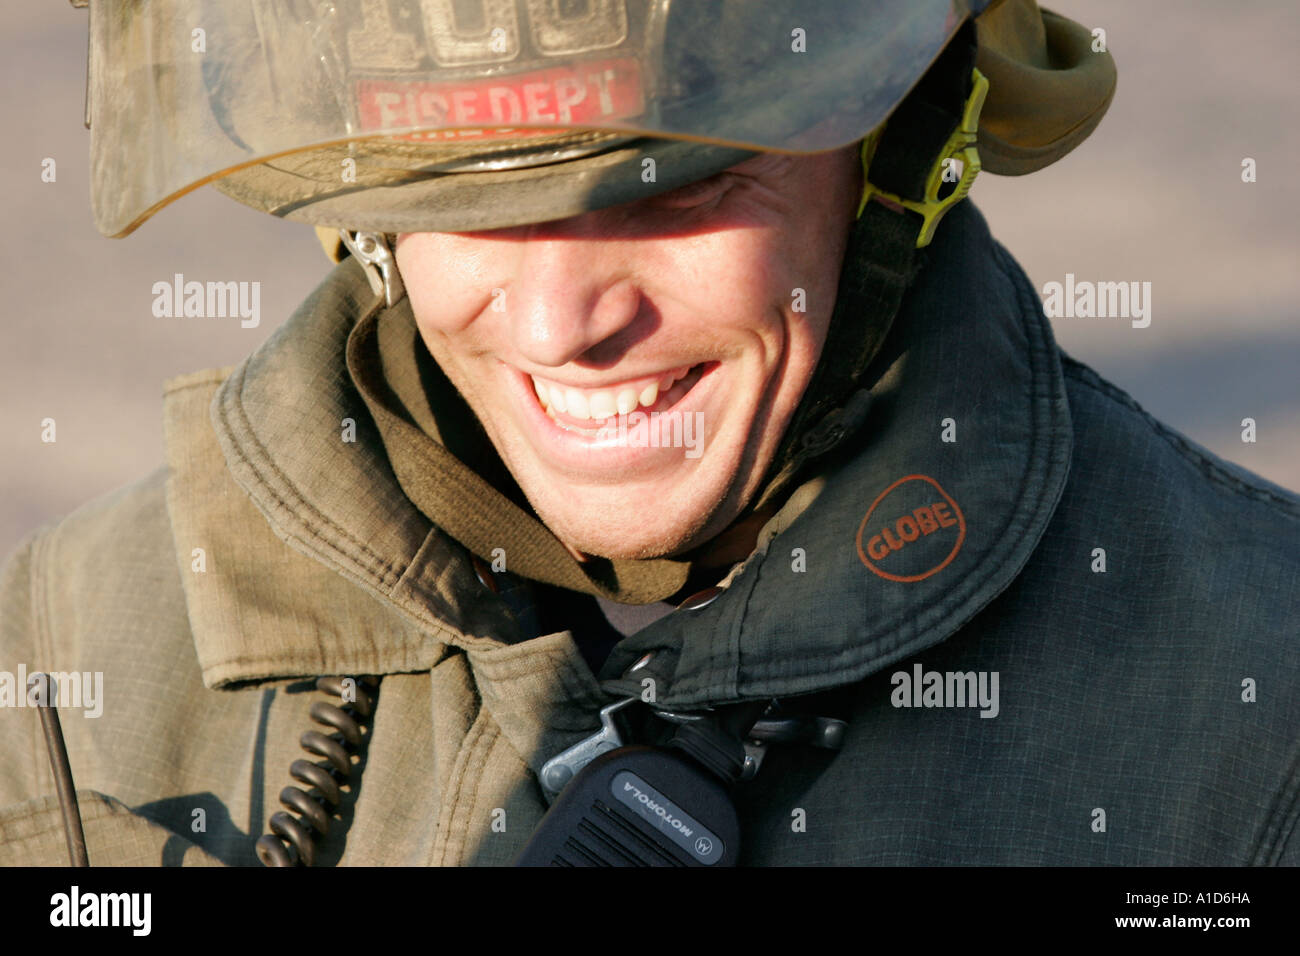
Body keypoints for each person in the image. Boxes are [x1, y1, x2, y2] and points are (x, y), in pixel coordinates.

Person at [1, 0, 1296, 867]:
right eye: (463, 192)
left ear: (896, 148)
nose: (565, 323)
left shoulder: (1250, 712)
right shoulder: (61, 661)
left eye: (676, 179)